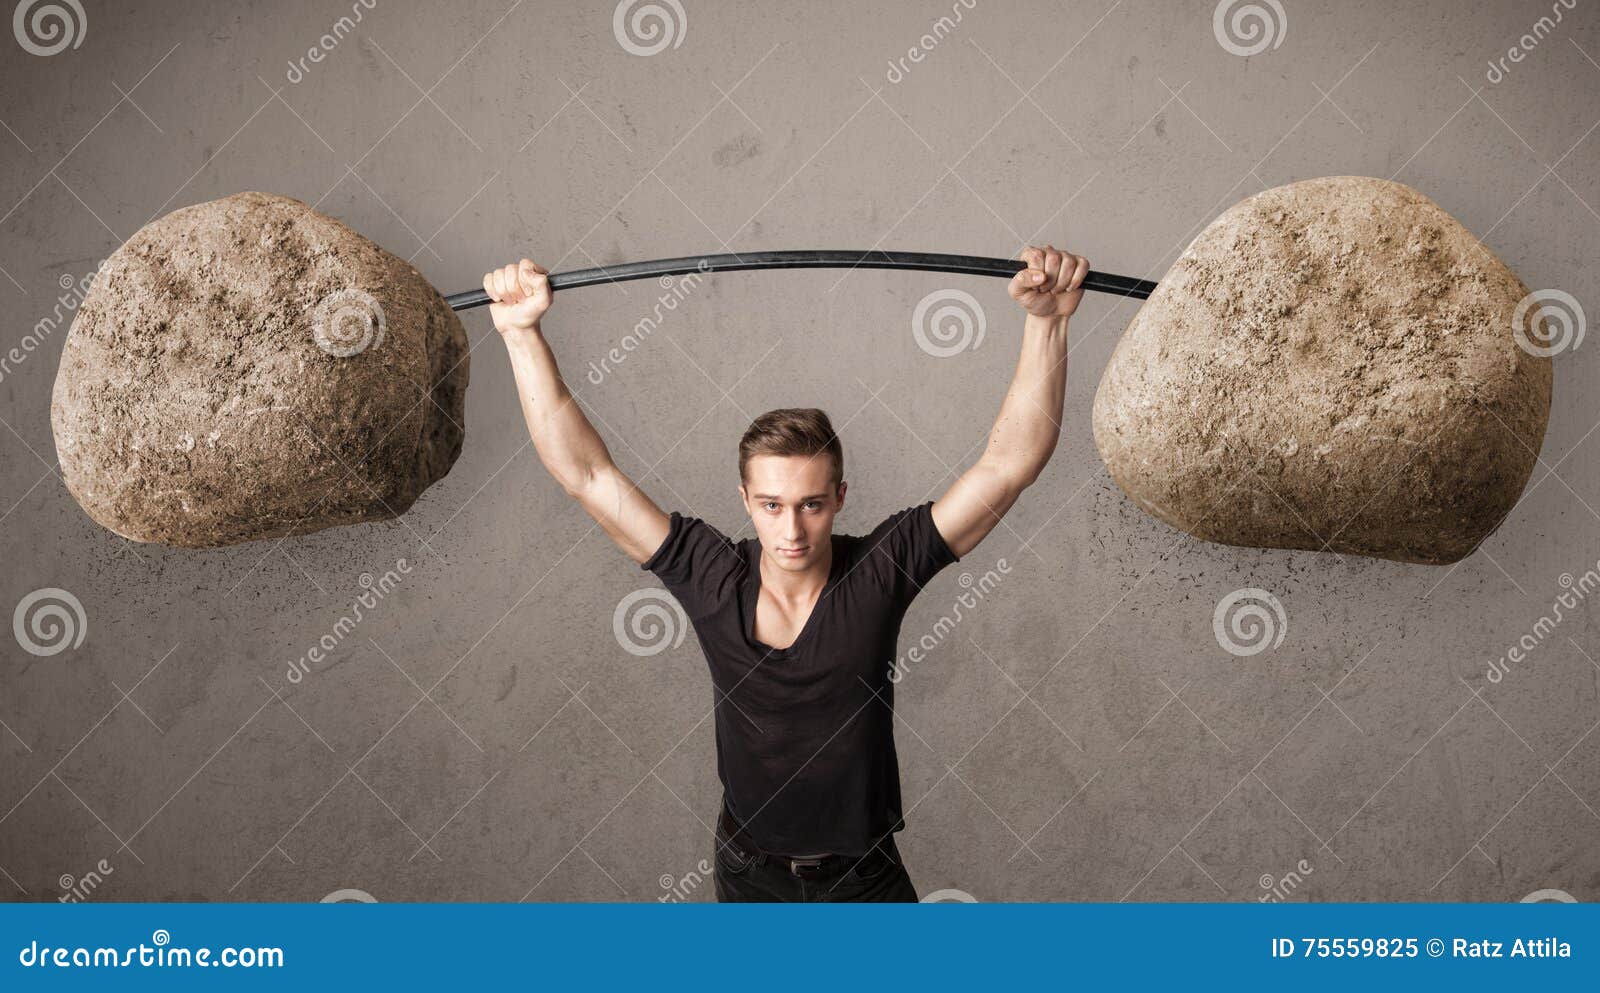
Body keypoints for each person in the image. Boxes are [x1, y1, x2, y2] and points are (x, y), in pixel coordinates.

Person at [482, 244, 1088, 902]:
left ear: (840, 499)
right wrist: (520, 334)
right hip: (750, 876)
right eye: (771, 506)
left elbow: (1009, 464)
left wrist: (1046, 323)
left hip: (862, 878)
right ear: (746, 501)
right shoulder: (708, 572)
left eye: (811, 505)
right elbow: (587, 475)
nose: (792, 529)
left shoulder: (880, 571)